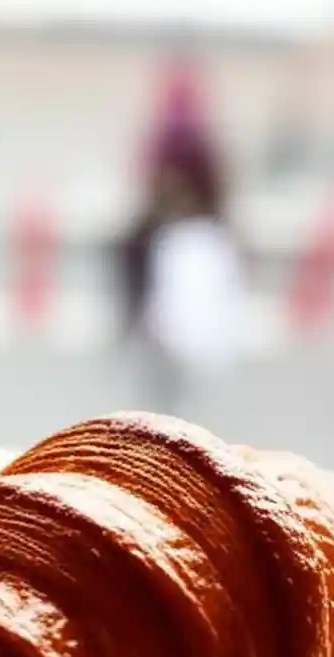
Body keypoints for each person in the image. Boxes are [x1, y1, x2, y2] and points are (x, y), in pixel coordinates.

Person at [121, 56, 244, 412]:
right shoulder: (202, 137)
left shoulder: (167, 134)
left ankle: (135, 325)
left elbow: (148, 180)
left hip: (172, 229)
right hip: (191, 228)